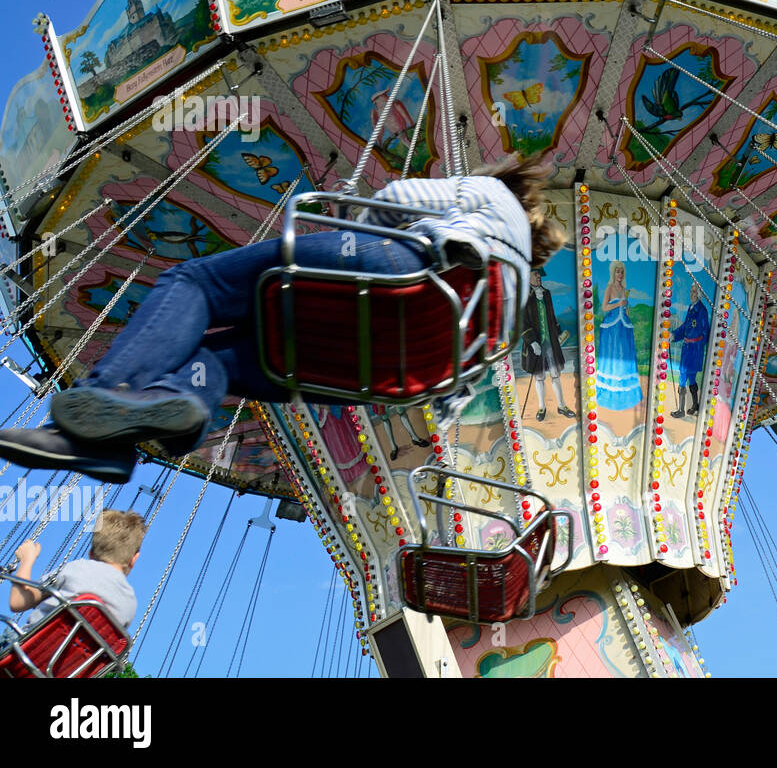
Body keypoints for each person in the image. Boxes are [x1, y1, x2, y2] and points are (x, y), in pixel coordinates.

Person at [0, 155, 564, 483]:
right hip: (382, 371)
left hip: (396, 276)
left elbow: (401, 195)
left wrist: (358, 231)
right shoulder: (514, 283)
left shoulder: (490, 193)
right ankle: (168, 411)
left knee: (194, 282)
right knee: (213, 359)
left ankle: (102, 401)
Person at [6, 510, 145, 637]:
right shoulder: (130, 604)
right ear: (134, 559)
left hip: (25, 651)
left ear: (91, 553)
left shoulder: (76, 569)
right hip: (76, 664)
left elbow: (18, 601)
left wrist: (26, 559)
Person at [520, 267, 575, 422]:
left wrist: (558, 334)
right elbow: (522, 323)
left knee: (555, 374)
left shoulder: (546, 293)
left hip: (550, 343)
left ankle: (561, 405)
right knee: (539, 377)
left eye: (539, 274)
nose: (539, 277)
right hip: (536, 345)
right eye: (536, 274)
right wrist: (532, 342)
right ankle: (542, 407)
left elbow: (551, 317)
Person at [595, 261, 643, 411]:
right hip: (612, 327)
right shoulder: (610, 288)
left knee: (624, 356)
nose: (620, 274)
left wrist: (626, 309)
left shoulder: (625, 289)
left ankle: (626, 393)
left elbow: (625, 308)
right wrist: (619, 304)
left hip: (624, 326)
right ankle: (611, 393)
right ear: (613, 273)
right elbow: (604, 307)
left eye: (621, 272)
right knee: (613, 355)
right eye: (617, 272)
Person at [670, 281, 710, 418]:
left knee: (684, 376)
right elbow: (685, 327)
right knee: (690, 378)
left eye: (694, 292)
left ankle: (682, 409)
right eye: (691, 291)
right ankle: (695, 405)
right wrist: (674, 335)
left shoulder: (701, 311)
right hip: (688, 349)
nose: (692, 294)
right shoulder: (691, 308)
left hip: (693, 351)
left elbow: (705, 332)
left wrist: (698, 346)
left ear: (699, 295)